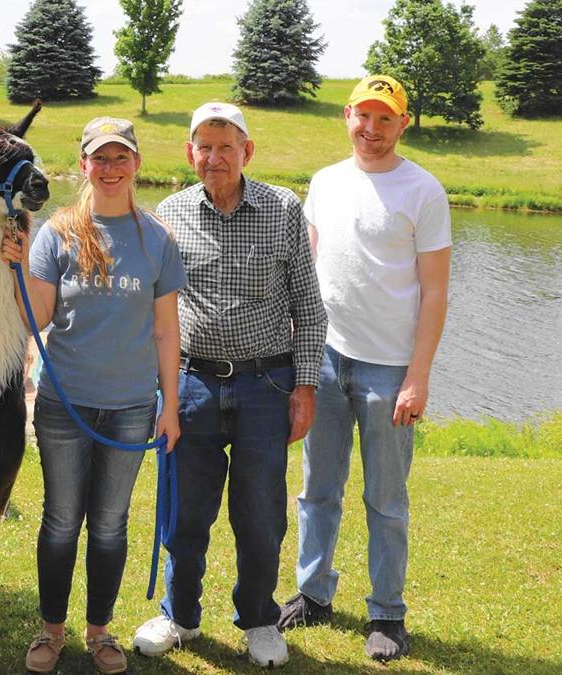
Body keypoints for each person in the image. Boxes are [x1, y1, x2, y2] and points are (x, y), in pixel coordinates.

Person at [132, 102, 326, 668]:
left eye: (225, 146)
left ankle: (259, 619)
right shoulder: (169, 212)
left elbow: (310, 312)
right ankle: (180, 615)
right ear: (190, 153)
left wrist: (306, 388)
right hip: (191, 384)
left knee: (260, 513)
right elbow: (154, 313)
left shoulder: (283, 209)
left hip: (267, 383)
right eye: (204, 147)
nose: (214, 157)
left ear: (247, 152)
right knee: (185, 511)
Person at [277, 75, 451, 662]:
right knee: (316, 490)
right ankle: (313, 593)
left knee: (386, 500)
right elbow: (307, 272)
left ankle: (387, 614)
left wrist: (418, 376)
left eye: (386, 119)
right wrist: (298, 354)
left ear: (404, 124)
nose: (372, 130)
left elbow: (435, 292)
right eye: (363, 117)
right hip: (324, 359)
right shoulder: (324, 183)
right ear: (346, 115)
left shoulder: (424, 190)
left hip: (389, 369)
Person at [3, 117, 185, 675]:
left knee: (109, 523)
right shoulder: (57, 233)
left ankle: (100, 633)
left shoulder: (156, 239)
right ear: (83, 165)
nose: (110, 169)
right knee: (61, 520)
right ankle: (51, 631)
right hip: (64, 404)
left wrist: (170, 406)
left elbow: (165, 330)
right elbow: (35, 318)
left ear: (136, 164)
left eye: (120, 157)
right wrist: (17, 267)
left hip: (132, 408)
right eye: (99, 159)